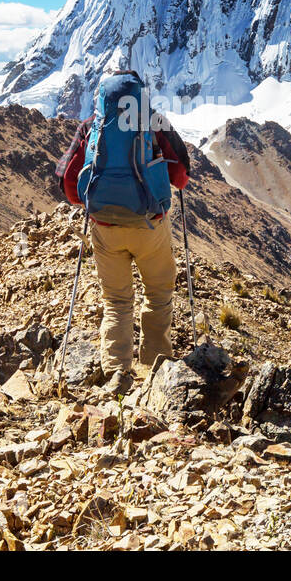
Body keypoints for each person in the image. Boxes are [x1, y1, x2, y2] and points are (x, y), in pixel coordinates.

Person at [56, 70, 191, 395]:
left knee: (116, 300)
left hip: (105, 227)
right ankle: (155, 369)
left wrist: (97, 203)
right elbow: (182, 175)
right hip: (149, 226)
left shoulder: (91, 127)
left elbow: (67, 181)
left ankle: (117, 374)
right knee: (158, 294)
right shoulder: (153, 121)